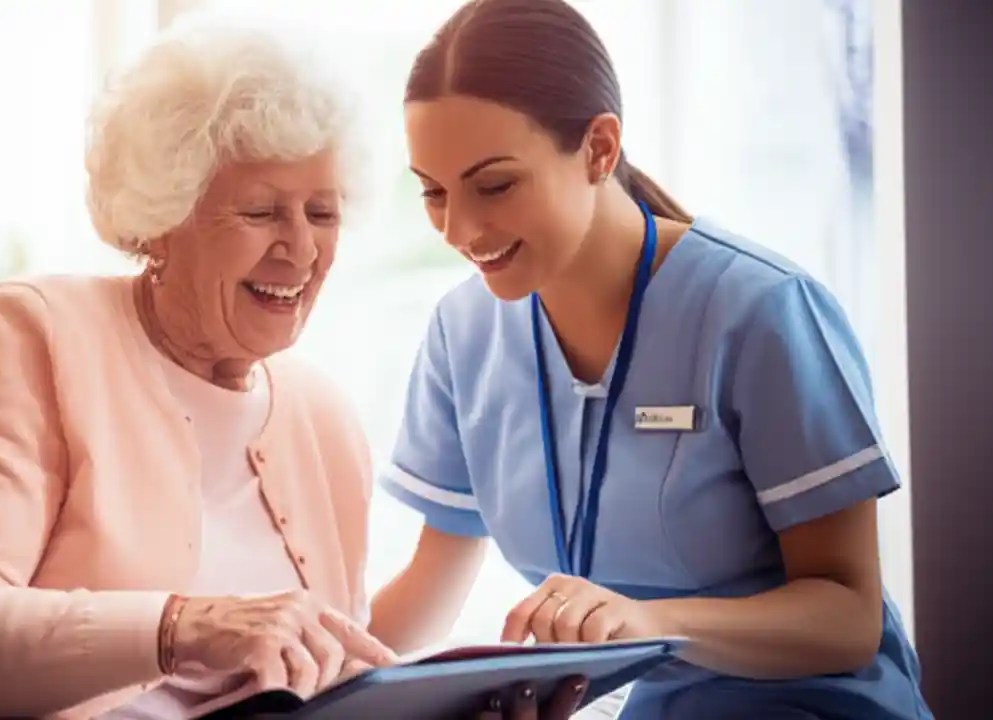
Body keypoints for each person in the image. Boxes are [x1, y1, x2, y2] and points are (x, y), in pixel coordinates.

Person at [0, 9, 588, 720]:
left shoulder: (319, 413)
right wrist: (181, 627)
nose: (301, 250)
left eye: (322, 213)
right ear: (161, 219)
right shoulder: (45, 336)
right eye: (261, 212)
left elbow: (333, 678)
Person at [369, 1, 934, 718]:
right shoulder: (463, 333)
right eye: (432, 192)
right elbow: (431, 585)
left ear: (599, 149)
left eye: (495, 185)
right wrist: (308, 671)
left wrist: (652, 623)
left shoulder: (762, 311)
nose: (458, 229)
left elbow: (848, 618)